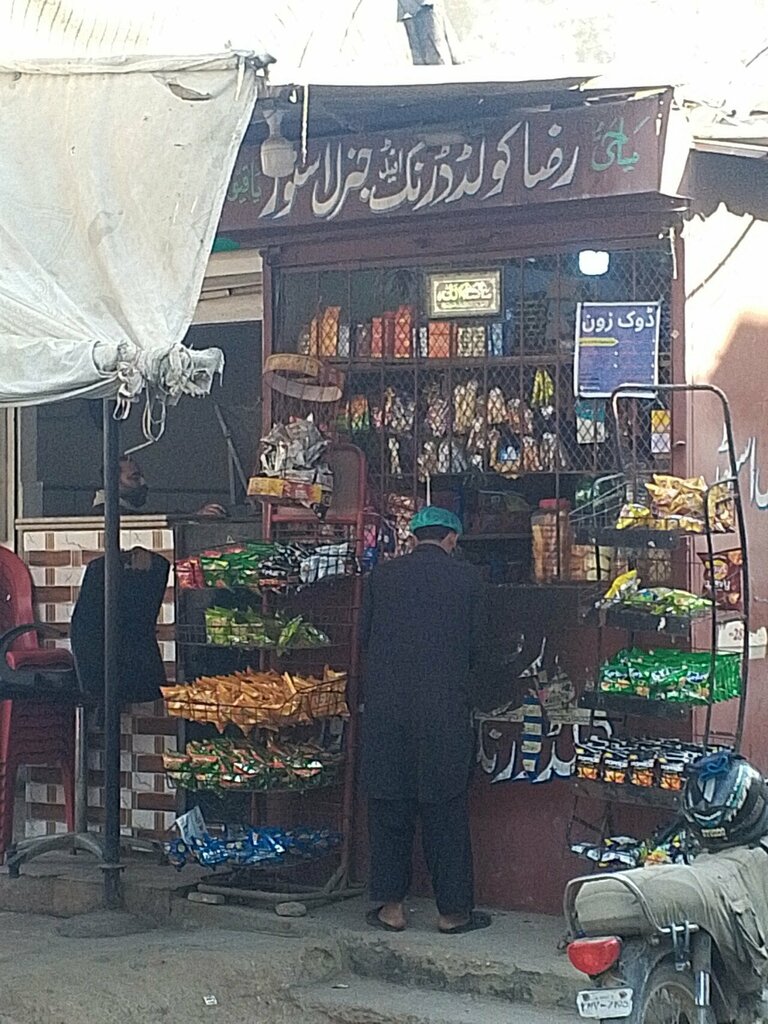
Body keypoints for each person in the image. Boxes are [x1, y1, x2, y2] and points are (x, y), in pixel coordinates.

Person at [359, 505, 491, 936]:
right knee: (445, 810)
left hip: (387, 711)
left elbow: (365, 641)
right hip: (442, 712)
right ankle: (453, 913)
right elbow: (477, 649)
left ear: (414, 537)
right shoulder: (467, 579)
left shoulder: (381, 578)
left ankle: (391, 907)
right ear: (451, 539)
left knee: (389, 806)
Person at [91, 455, 226, 517]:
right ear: (113, 481)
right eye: (135, 478)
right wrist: (194, 516)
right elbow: (148, 521)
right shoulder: (105, 513)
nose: (143, 483)